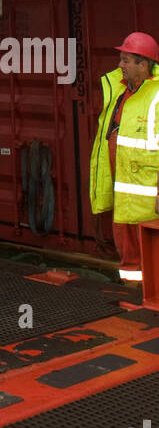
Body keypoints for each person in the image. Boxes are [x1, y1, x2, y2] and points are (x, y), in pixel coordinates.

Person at [89, 31, 159, 287]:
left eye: (126, 60)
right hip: (125, 199)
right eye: (121, 59)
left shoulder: (157, 96)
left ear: (143, 64)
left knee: (153, 260)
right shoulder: (120, 92)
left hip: (151, 205)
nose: (120, 65)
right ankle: (133, 306)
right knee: (130, 263)